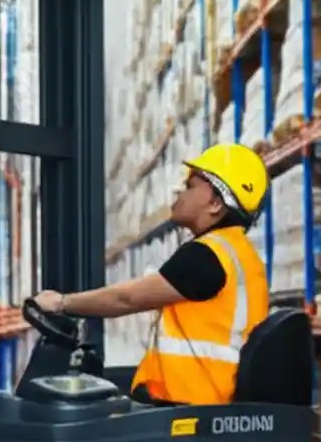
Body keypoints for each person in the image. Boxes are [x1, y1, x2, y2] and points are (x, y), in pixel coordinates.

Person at [32, 143, 271, 405]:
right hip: (207, 401)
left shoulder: (207, 256)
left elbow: (126, 299)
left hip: (192, 409)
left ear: (215, 203)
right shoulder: (238, 252)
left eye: (190, 186)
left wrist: (61, 303)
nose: (179, 191)